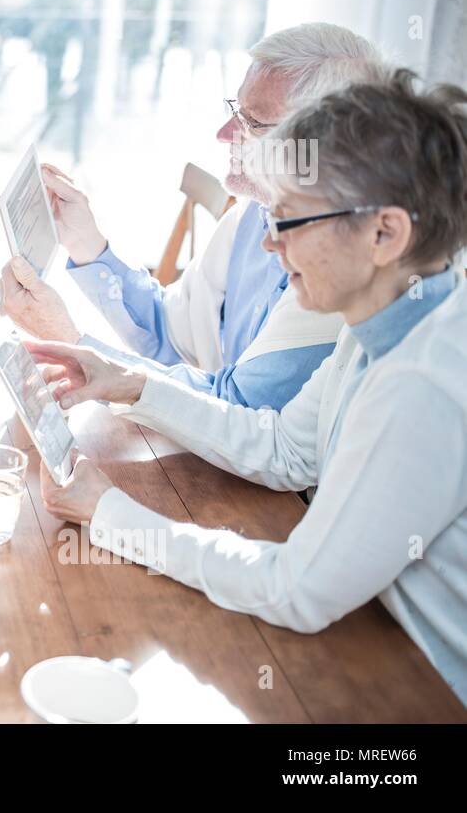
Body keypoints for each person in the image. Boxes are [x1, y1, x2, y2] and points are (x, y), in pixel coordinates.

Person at [29, 70, 467, 705]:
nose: (267, 240)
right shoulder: (389, 311)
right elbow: (288, 449)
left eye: (289, 220)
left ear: (385, 234)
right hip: (374, 631)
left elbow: (297, 589)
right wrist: (131, 384)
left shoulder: (424, 382)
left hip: (420, 691)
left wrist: (109, 514)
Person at [0, 23, 387, 412]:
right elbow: (170, 332)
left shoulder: (341, 260)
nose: (224, 133)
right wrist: (87, 245)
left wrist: (70, 344)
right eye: (236, 110)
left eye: (252, 121)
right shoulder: (253, 214)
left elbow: (237, 409)